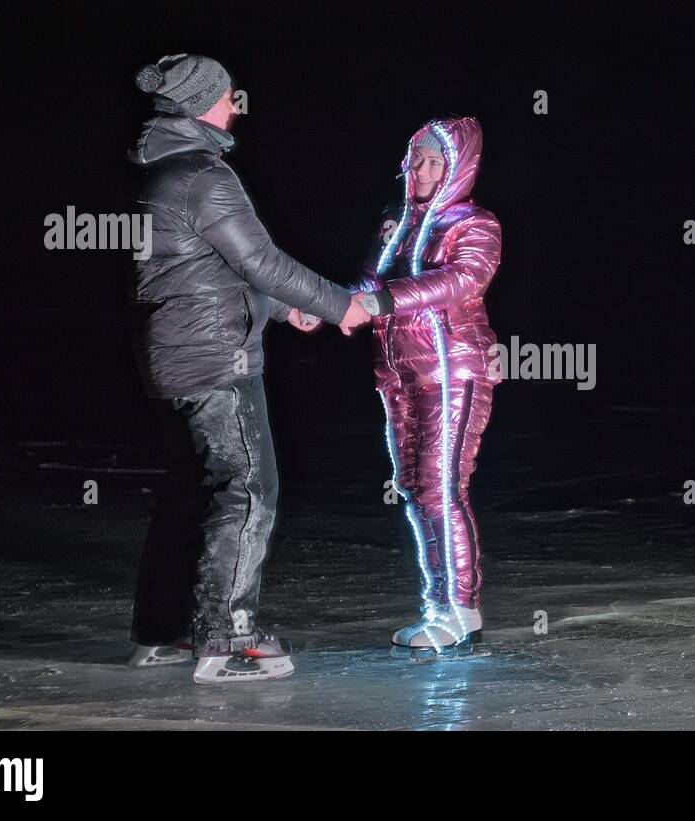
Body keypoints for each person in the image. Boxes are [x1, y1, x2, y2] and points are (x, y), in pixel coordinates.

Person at [125, 54, 373, 683]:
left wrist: (288, 312)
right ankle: (224, 639)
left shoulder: (159, 173)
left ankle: (159, 633)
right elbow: (259, 261)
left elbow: (205, 272)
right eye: (230, 95)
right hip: (216, 362)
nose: (238, 104)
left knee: (190, 492)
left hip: (172, 356)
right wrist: (341, 305)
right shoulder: (206, 175)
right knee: (247, 491)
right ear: (203, 103)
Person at [296, 116, 502, 656]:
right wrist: (323, 308)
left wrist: (381, 301)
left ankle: (461, 610)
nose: (425, 171)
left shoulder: (473, 223)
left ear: (458, 168)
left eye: (437, 162)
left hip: (454, 369)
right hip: (400, 373)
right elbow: (369, 281)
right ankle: (437, 606)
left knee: (442, 486)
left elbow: (462, 280)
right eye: (418, 161)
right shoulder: (397, 220)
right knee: (414, 488)